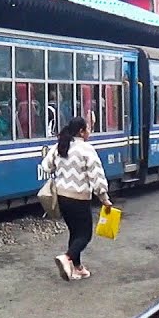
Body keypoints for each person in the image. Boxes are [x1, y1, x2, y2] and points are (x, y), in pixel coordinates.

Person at [41, 117, 113, 281]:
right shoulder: (86, 149)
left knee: (75, 232)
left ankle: (77, 268)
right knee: (85, 234)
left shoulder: (60, 145)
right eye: (88, 129)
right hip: (79, 198)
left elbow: (46, 166)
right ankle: (67, 258)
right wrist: (104, 199)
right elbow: (97, 177)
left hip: (61, 197)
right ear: (81, 131)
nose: (89, 132)